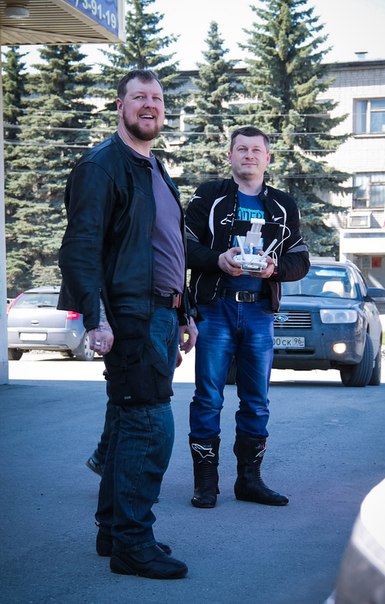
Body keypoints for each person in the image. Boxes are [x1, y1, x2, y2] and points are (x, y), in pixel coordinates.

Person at [58, 69, 198, 580]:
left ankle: (113, 531)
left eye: (157, 98)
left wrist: (183, 312)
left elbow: (167, 247)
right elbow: (80, 249)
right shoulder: (102, 166)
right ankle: (134, 544)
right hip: (130, 315)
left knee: (124, 423)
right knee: (150, 426)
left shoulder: (153, 167)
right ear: (120, 106)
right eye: (139, 96)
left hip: (160, 313)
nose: (150, 105)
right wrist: (96, 317)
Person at [185, 126, 310, 509]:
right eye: (242, 149)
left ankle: (250, 481)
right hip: (215, 308)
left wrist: (275, 269)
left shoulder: (283, 204)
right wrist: (218, 260)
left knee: (256, 400)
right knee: (208, 398)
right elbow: (182, 245)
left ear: (267, 158)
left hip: (259, 311)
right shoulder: (210, 195)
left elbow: (300, 259)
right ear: (230, 156)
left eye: (257, 150)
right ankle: (206, 485)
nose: (249, 155)